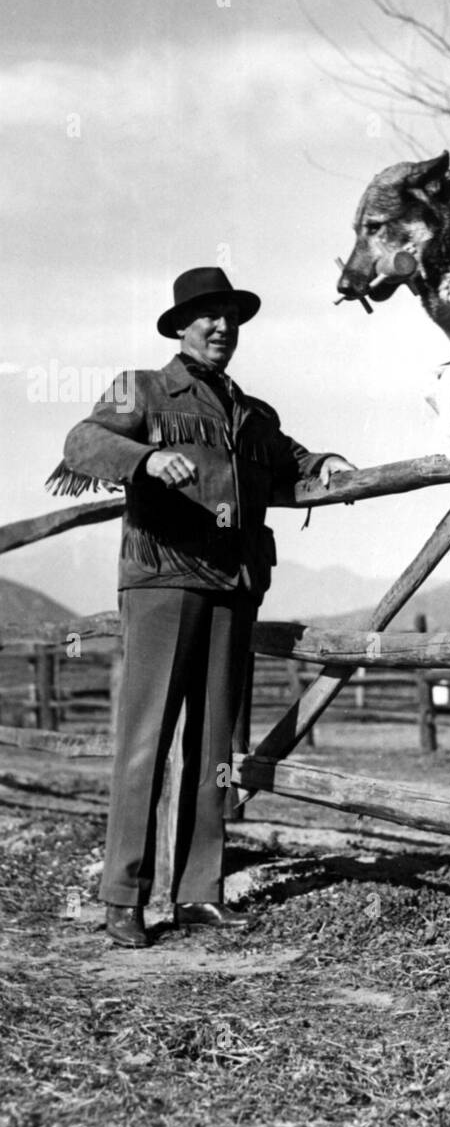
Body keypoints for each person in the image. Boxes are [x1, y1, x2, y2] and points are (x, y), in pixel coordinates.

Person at [47, 268, 352, 948]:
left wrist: (325, 463)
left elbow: (290, 460)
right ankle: (123, 896)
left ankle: (197, 893)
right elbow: (82, 442)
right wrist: (147, 459)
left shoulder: (251, 412)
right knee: (146, 740)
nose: (222, 328)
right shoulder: (144, 388)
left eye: (231, 318)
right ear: (180, 326)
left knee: (217, 745)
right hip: (163, 582)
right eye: (208, 317)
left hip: (232, 586)